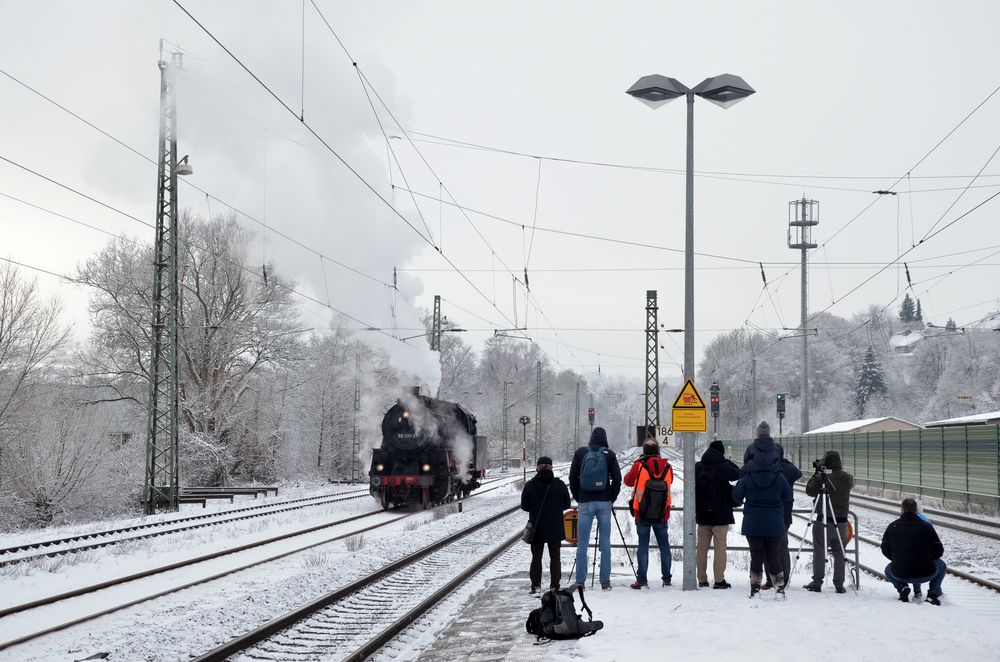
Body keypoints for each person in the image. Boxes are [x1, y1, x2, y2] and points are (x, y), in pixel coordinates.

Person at [569, 427, 622, 590]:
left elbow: (572, 477)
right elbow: (617, 479)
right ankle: (605, 581)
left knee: (582, 543)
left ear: (591, 438)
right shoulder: (609, 454)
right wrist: (610, 498)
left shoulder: (580, 453)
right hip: (604, 502)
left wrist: (579, 497)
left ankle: (580, 581)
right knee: (605, 543)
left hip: (585, 502)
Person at [732, 455, 793, 595]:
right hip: (775, 522)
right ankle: (779, 589)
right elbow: (788, 496)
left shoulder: (747, 477)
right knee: (774, 555)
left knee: (756, 556)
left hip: (753, 522)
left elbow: (736, 498)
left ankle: (755, 589)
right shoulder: (779, 477)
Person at [624, 439, 674, 589]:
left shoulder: (639, 465)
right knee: (664, 546)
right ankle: (666, 579)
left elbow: (628, 481)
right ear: (658, 451)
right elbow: (669, 483)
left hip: (642, 512)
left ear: (644, 451)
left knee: (643, 546)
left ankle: (642, 580)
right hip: (662, 512)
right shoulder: (668, 467)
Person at [803, 450, 854, 593]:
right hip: (842, 523)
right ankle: (839, 584)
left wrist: (817, 473)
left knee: (819, 552)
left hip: (823, 520)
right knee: (840, 554)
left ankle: (817, 582)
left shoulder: (821, 477)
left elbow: (810, 491)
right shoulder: (848, 478)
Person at [521, 456, 572, 593]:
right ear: (551, 467)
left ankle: (536, 586)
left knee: (536, 557)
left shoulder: (530, 485)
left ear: (537, 468)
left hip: (537, 527)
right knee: (555, 557)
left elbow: (525, 506)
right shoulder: (559, 485)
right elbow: (567, 504)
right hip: (555, 527)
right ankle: (555, 585)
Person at [881, 497, 946, 605]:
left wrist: (898, 559)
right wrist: (928, 558)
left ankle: (902, 588)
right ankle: (933, 595)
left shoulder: (892, 526)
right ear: (916, 510)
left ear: (901, 510)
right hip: (927, 573)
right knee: (941, 565)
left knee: (888, 570)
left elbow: (884, 549)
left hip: (900, 573)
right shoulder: (927, 526)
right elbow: (939, 550)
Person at [694, 440, 740, 589]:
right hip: (721, 515)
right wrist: (725, 460)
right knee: (720, 548)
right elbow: (738, 473)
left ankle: (701, 579)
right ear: (722, 452)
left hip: (702, 514)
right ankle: (719, 580)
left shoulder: (698, 466)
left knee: (701, 548)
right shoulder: (724, 466)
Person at [762, 445, 802, 590]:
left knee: (767, 548)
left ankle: (770, 579)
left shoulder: (765, 468)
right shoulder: (788, 468)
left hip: (767, 513)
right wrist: (785, 461)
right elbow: (798, 473)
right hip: (784, 515)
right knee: (782, 547)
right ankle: (784, 579)